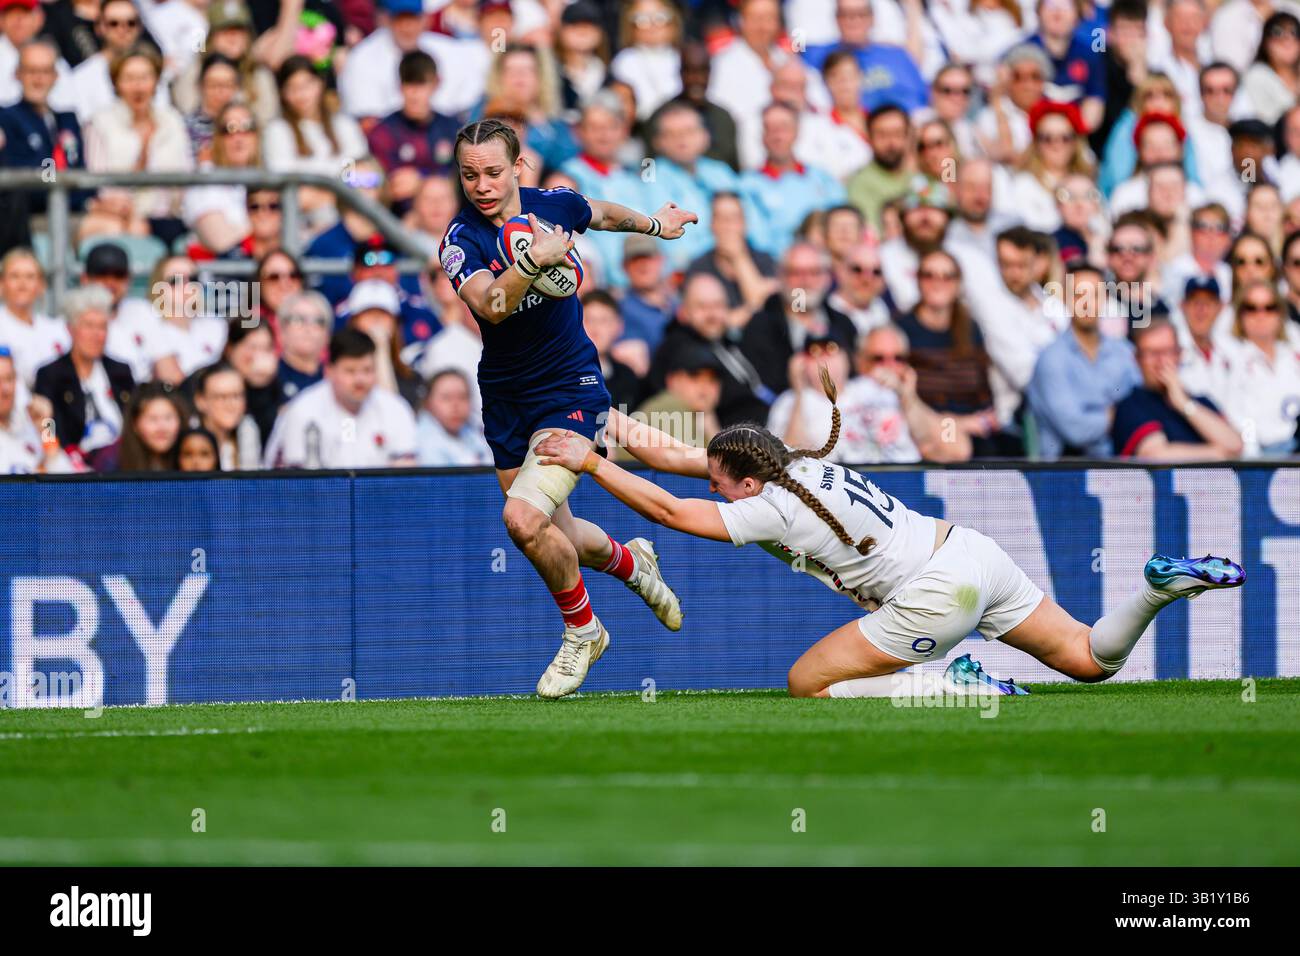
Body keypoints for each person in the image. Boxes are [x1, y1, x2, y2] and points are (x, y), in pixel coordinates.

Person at [532, 377, 1245, 699]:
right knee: (1092, 659)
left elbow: (666, 511)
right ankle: (1155, 588)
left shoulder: (769, 510)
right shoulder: (792, 461)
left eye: (720, 483)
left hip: (936, 594)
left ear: (747, 481)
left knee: (806, 683)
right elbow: (678, 462)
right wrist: (604, 419)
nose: (713, 489)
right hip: (973, 552)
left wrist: (590, 463)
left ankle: (952, 686)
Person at [437, 117, 698, 698]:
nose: (481, 185)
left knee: (521, 521)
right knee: (561, 536)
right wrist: (534, 261)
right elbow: (492, 305)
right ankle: (634, 565)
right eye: (469, 174)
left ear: (518, 168)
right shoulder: (460, 240)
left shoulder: (551, 205)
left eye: (493, 172)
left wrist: (656, 224)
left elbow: (599, 212)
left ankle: (583, 631)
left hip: (570, 387)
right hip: (505, 396)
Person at [1025, 261, 1142, 460]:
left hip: (1120, 469)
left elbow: (1143, 407)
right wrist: (1121, 416)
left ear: (1105, 298)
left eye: (1094, 294)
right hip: (1065, 474)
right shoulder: (1051, 359)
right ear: (1065, 298)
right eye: (1079, 295)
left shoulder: (1124, 352)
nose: (1086, 303)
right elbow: (1075, 431)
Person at [264, 328, 418, 470]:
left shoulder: (395, 408)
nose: (360, 380)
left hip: (378, 498)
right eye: (350, 371)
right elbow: (291, 484)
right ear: (329, 371)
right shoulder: (302, 410)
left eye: (367, 370)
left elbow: (406, 478)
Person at [1110, 318, 1244, 460]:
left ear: (1179, 355)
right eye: (1152, 353)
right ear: (1137, 359)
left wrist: (1184, 404)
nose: (1160, 362)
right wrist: (1217, 453)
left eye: (1167, 352)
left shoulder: (1201, 401)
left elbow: (1235, 445)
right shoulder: (1131, 406)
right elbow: (1155, 456)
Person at [33, 285, 133, 460]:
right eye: (89, 326)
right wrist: (53, 456)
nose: (97, 334)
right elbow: (45, 426)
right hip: (71, 467)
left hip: (122, 461)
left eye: (102, 327)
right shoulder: (50, 375)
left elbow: (136, 420)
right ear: (71, 329)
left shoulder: (121, 371)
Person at [1223, 280, 1300, 456]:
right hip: (1265, 454)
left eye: (1269, 307)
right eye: (1251, 308)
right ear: (1240, 315)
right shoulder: (1233, 358)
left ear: (1280, 313)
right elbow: (1239, 416)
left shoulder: (1293, 353)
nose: (1261, 315)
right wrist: (1253, 453)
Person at [0, 248, 69, 388]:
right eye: (14, 276)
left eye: (30, 276)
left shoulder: (58, 328)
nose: (22, 284)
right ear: (2, 284)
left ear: (41, 285)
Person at [415, 368, 492, 466]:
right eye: (446, 398)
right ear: (427, 403)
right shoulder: (418, 443)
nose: (455, 405)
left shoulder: (476, 434)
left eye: (462, 397)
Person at [111, 381, 187, 471]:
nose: (162, 428)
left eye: (168, 418)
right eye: (153, 419)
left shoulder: (193, 460)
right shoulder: (111, 462)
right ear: (135, 424)